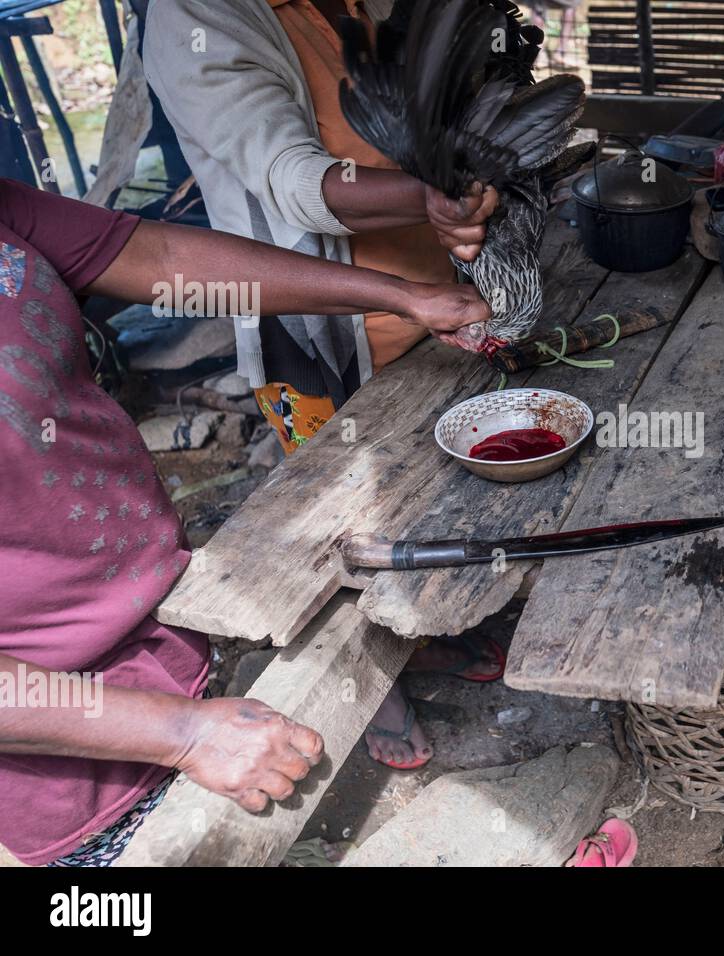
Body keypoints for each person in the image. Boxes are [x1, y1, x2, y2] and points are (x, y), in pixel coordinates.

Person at [0, 177, 487, 865]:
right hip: (73, 755)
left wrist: (402, 295)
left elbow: (167, 260)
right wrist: (183, 734)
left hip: (176, 630)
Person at [143, 0, 509, 768]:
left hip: (435, 292)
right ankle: (372, 687)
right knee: (342, 516)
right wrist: (430, 198)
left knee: (432, 484)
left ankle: (426, 632)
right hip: (312, 324)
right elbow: (290, 182)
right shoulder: (193, 18)